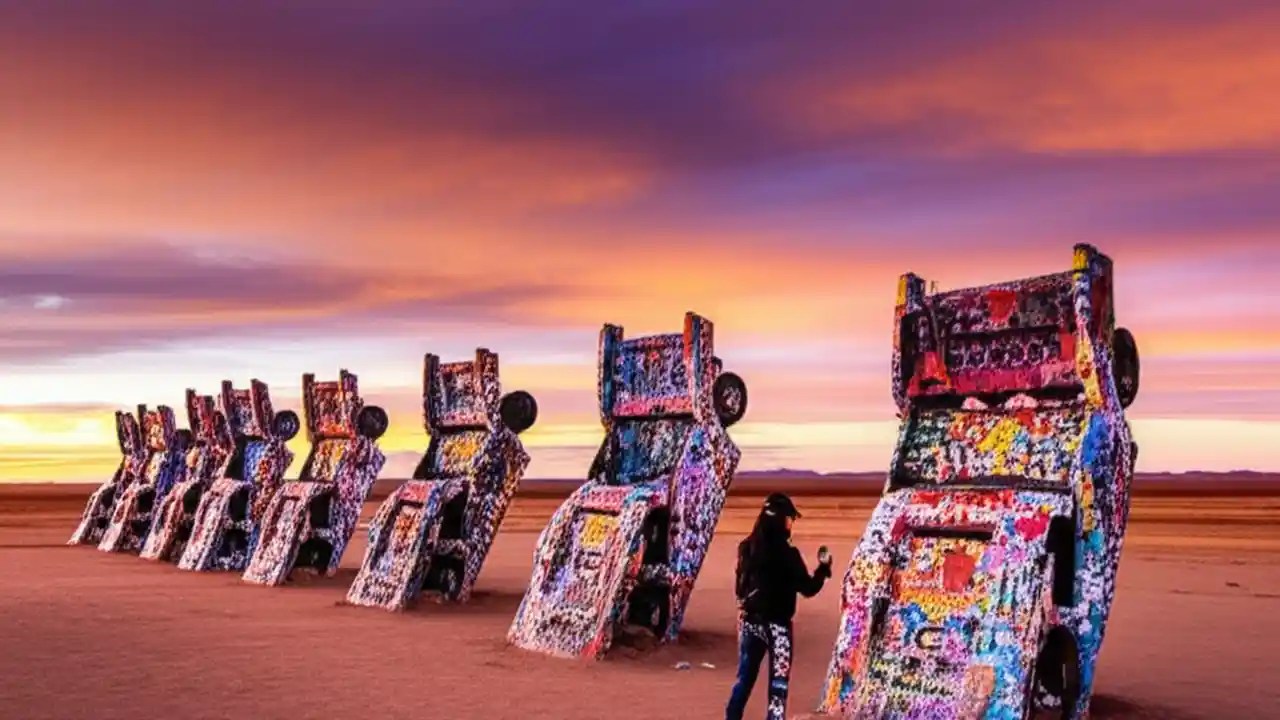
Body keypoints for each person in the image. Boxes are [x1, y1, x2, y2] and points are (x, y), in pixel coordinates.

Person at [726, 492, 833, 720]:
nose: (790, 524)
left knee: (744, 681)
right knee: (778, 686)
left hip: (750, 623)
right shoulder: (787, 554)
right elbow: (808, 588)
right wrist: (822, 570)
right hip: (778, 627)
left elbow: (740, 587)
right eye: (788, 519)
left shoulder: (747, 548)